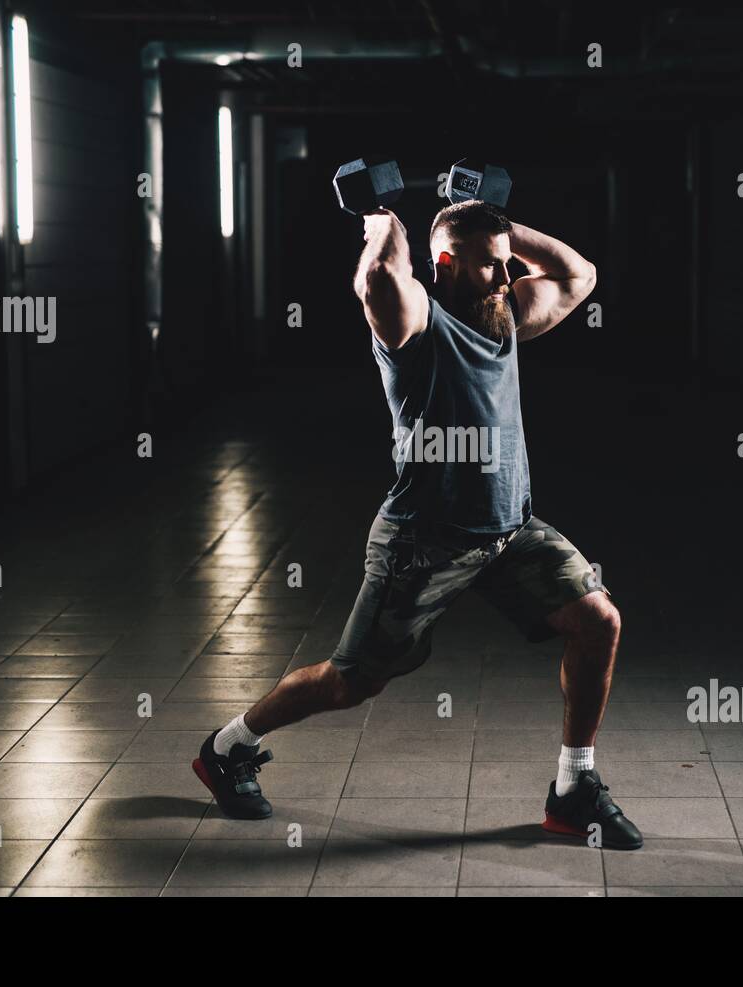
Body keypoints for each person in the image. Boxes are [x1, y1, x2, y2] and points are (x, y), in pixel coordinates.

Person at [192, 199, 642, 850]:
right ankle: (228, 747)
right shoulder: (416, 323)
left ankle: (574, 789)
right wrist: (386, 228)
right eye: (492, 266)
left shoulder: (506, 317)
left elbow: (580, 275)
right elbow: (377, 283)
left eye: (508, 264)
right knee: (352, 680)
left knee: (599, 620)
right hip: (423, 543)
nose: (506, 275)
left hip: (509, 531)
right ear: (446, 265)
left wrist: (507, 233)